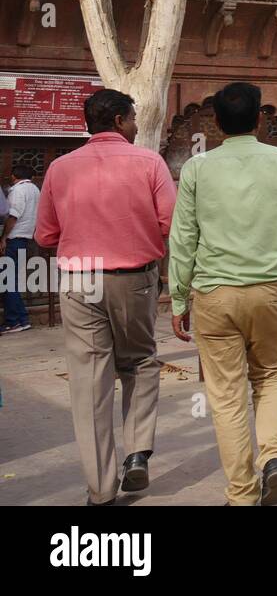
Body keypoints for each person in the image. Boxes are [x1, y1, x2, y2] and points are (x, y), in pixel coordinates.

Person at [168, 82, 277, 507]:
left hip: (214, 294)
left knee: (226, 395)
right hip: (271, 292)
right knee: (270, 376)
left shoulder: (198, 169)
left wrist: (178, 298)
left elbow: (183, 239)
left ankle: (241, 494)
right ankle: (273, 457)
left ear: (216, 123)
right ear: (259, 120)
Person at [34, 90, 175, 506]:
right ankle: (137, 453)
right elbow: (170, 222)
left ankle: (100, 489)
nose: (135, 125)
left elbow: (45, 235)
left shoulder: (60, 168)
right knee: (140, 363)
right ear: (118, 120)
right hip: (133, 279)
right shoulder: (149, 162)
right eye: (132, 117)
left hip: (79, 281)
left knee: (90, 382)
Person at [1, 165, 41, 334]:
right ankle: (23, 320)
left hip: (13, 240)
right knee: (12, 281)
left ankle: (13, 321)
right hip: (25, 239)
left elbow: (13, 215)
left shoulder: (18, 191)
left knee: (7, 281)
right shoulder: (35, 190)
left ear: (14, 176)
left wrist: (3, 238)